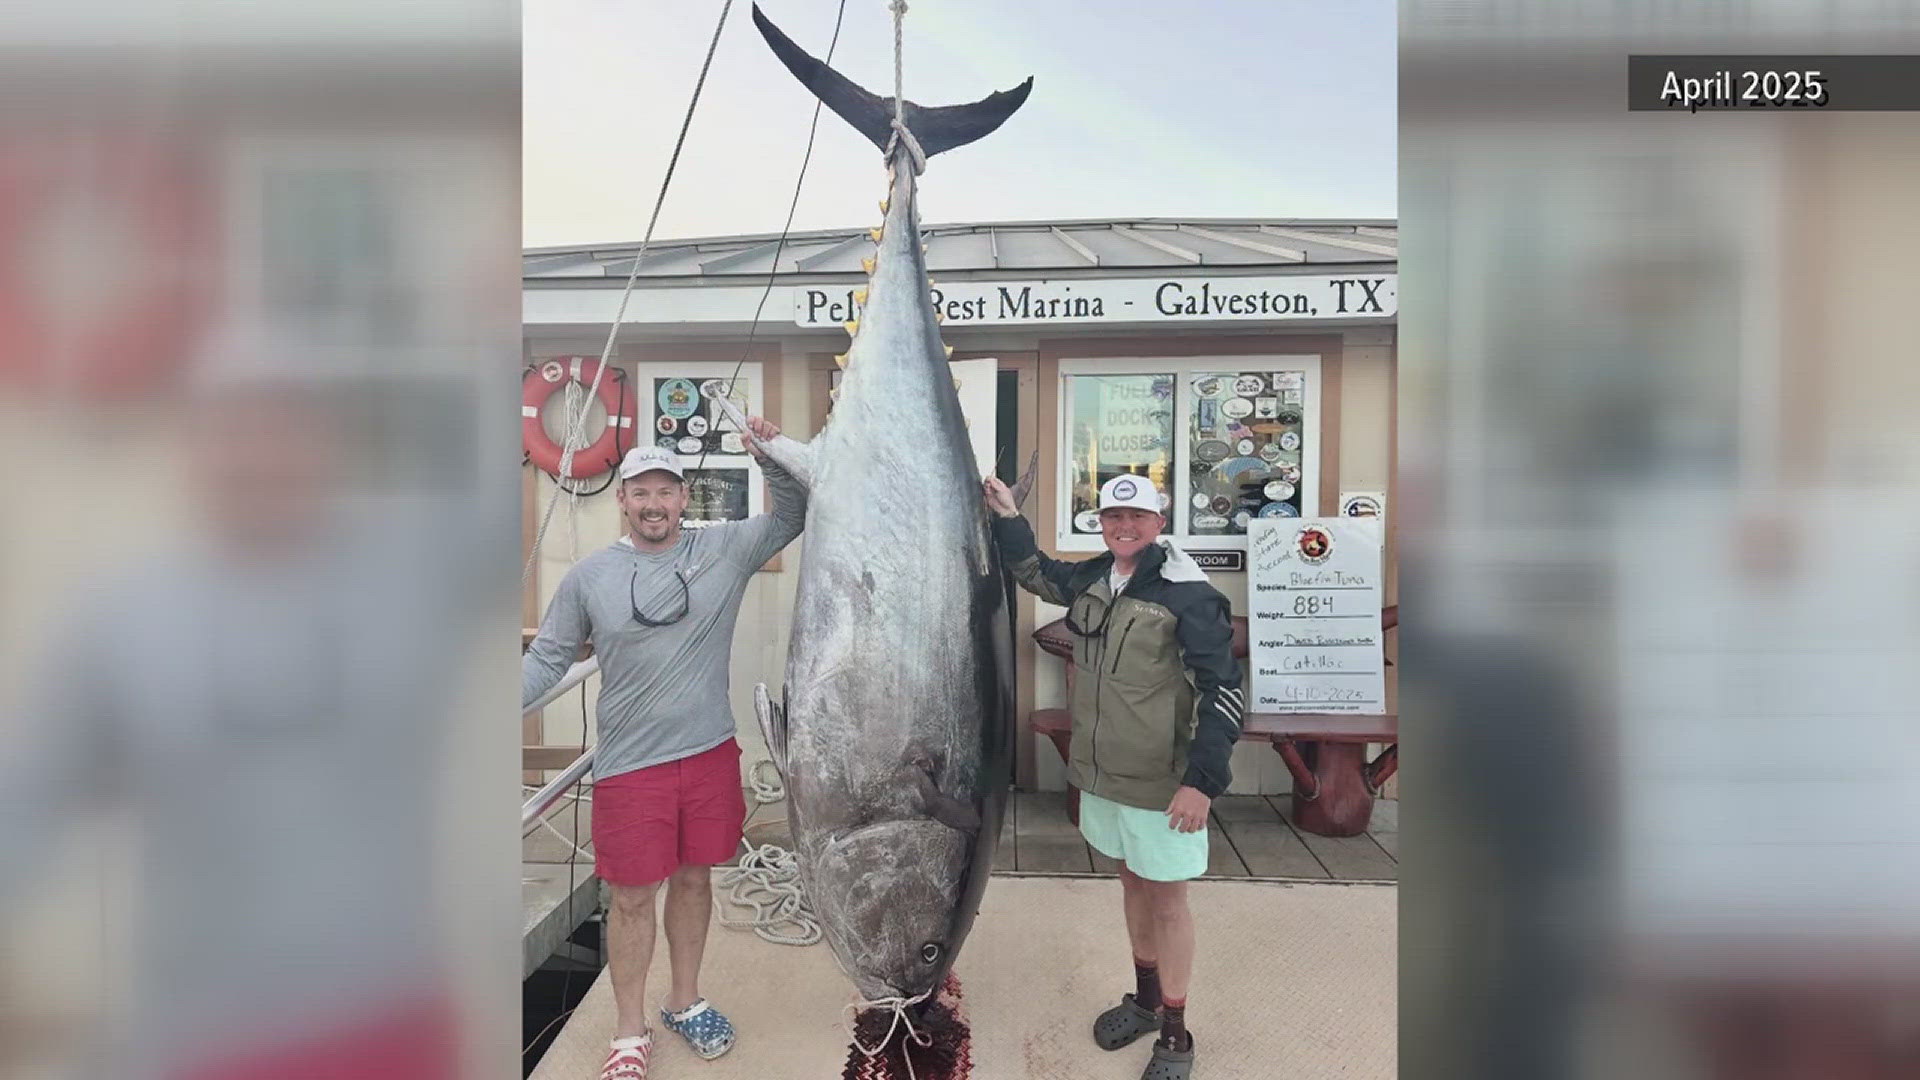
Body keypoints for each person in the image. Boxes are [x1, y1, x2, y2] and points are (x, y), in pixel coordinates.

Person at [522, 422, 805, 1080]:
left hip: (708, 754)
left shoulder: (725, 550)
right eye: (641, 491)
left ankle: (684, 999)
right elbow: (546, 663)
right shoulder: (591, 578)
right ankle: (628, 1031)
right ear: (622, 499)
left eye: (666, 491)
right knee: (627, 899)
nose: (654, 503)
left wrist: (768, 452)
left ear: (685, 498)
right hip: (630, 768)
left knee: (696, 879)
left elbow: (792, 512)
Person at [983, 472, 1242, 1080]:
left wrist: (1202, 782)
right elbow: (1035, 572)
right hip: (1103, 776)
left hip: (1162, 781)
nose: (1124, 527)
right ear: (1100, 521)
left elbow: (1223, 692)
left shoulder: (1189, 594)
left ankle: (1176, 1033)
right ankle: (1147, 1000)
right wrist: (1004, 515)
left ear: (1159, 523)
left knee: (1169, 901)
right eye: (1112, 517)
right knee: (1131, 881)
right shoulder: (1095, 576)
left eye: (1138, 517)